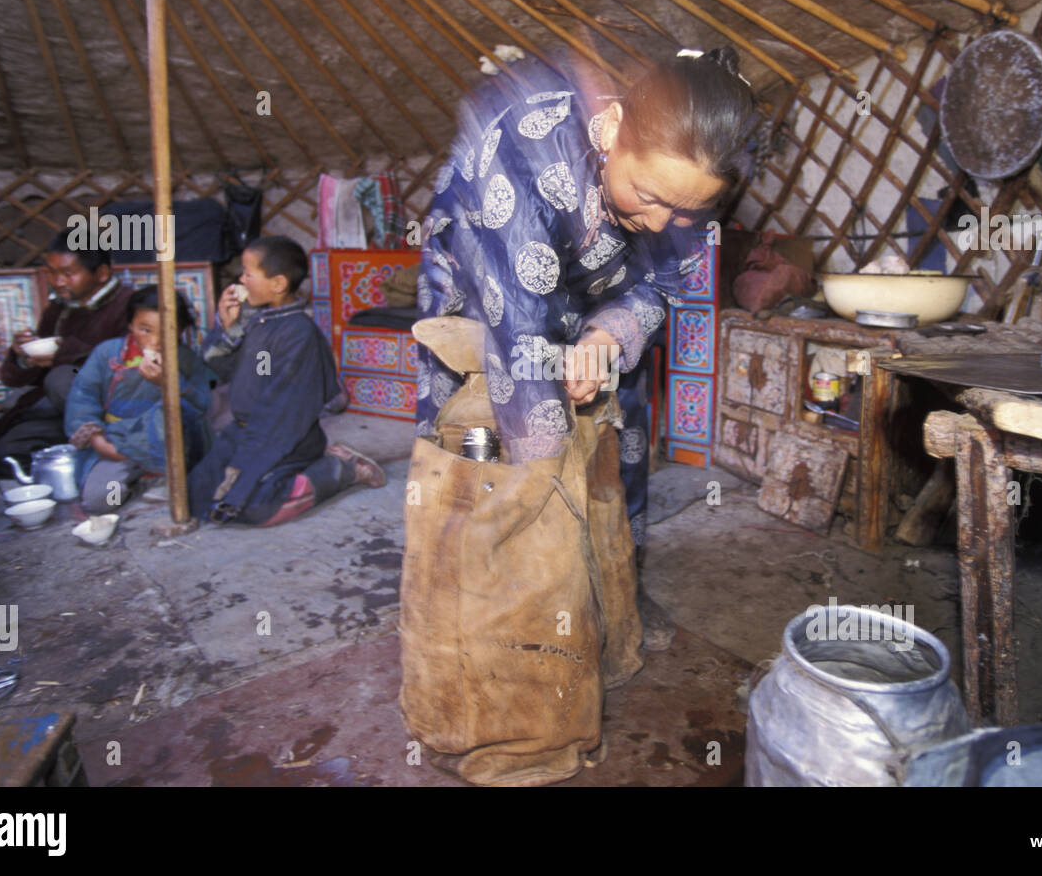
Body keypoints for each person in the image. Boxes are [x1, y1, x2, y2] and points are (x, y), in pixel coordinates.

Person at [417, 47, 757, 651]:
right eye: (647, 195)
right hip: (481, 278)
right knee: (479, 439)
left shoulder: (687, 192)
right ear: (612, 128)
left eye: (686, 209)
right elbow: (519, 330)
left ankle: (617, 574)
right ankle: (487, 592)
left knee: (618, 427)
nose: (660, 223)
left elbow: (666, 284)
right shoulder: (523, 152)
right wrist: (545, 498)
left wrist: (604, 337)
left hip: (598, 288)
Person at [187, 235, 386, 527]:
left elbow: (283, 411)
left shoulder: (299, 334)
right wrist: (227, 329)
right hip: (245, 432)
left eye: (248, 273)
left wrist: (245, 464)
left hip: (287, 437)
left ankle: (340, 469)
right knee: (195, 495)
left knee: (253, 505)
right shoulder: (259, 321)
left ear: (277, 284)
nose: (241, 279)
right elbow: (228, 371)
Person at [0, 241, 133, 477]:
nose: (58, 282)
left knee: (61, 378)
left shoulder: (130, 304)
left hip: (112, 408)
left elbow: (127, 365)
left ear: (102, 273)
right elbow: (19, 380)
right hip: (63, 411)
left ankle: (111, 446)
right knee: (1, 456)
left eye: (68, 273)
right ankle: (80, 455)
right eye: (52, 273)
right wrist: (24, 356)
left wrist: (65, 353)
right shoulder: (58, 308)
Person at [64, 285, 212, 514]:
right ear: (131, 325)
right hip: (116, 445)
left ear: (181, 330)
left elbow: (201, 405)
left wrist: (168, 384)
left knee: (173, 413)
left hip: (164, 450)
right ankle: (134, 481)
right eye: (145, 330)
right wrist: (96, 439)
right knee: (102, 501)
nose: (155, 341)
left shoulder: (186, 360)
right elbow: (83, 397)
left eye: (167, 331)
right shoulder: (107, 354)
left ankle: (159, 478)